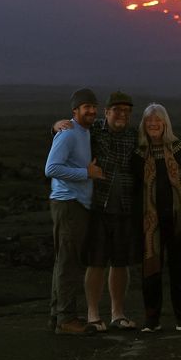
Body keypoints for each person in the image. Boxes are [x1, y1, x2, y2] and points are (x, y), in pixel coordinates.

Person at [55, 90, 141, 332]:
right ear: (107, 112)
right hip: (98, 207)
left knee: (121, 263)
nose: (122, 115)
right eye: (117, 110)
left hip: (125, 207)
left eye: (127, 111)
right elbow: (69, 136)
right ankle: (93, 315)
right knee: (97, 262)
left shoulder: (135, 136)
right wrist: (54, 127)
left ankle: (118, 314)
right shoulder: (92, 132)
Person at [136, 102, 181, 333]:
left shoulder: (179, 147)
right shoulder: (138, 152)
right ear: (144, 124)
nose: (153, 124)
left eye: (158, 120)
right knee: (151, 269)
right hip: (149, 222)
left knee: (180, 268)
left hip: (180, 218)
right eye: (149, 121)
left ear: (165, 122)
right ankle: (151, 321)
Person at [45, 87, 104, 335]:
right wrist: (85, 174)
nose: (91, 110)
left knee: (65, 261)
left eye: (93, 106)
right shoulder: (69, 134)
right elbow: (51, 168)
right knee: (69, 263)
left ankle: (57, 315)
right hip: (68, 203)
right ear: (75, 111)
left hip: (77, 204)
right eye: (86, 107)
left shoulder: (86, 131)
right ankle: (66, 319)